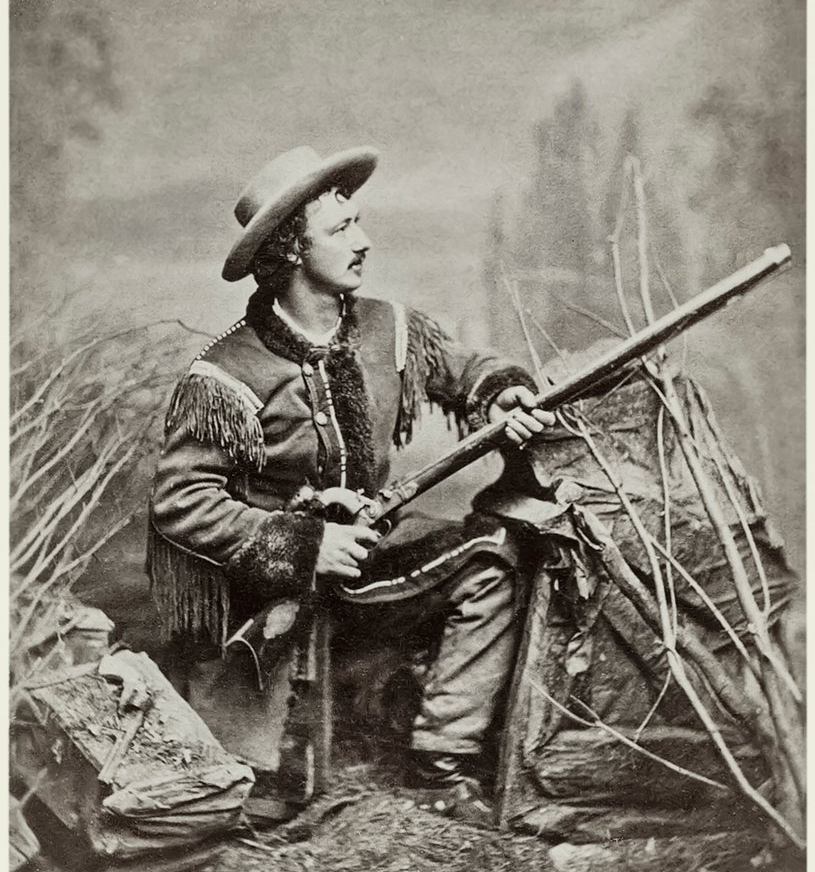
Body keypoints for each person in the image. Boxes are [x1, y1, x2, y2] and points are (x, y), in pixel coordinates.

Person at [148, 145, 554, 825]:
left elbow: (467, 367)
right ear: (290, 249)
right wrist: (304, 543)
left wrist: (502, 394)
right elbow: (180, 504)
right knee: (276, 800)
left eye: (358, 223)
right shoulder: (223, 378)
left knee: (493, 558)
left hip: (370, 573)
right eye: (340, 231)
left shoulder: (389, 329)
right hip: (273, 595)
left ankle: (440, 761)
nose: (363, 242)